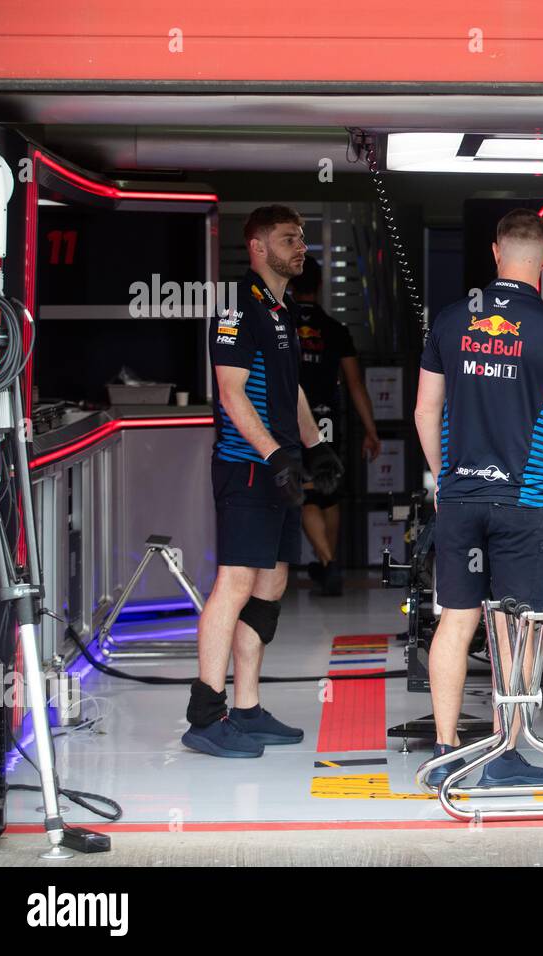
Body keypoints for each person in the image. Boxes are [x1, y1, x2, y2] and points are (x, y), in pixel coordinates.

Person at [412, 208, 543, 787]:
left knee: (455, 622)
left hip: (460, 499)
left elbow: (422, 411)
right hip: (525, 501)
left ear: (495, 253)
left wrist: (445, 481)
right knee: (514, 627)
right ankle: (504, 756)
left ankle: (444, 752)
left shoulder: (450, 320)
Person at [182, 205, 343, 758]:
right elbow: (230, 392)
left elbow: (291, 389)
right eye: (288, 238)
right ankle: (206, 713)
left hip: (282, 468)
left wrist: (316, 446)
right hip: (247, 466)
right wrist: (275, 453)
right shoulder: (237, 307)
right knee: (235, 583)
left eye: (301, 238)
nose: (300, 247)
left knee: (272, 587)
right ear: (257, 246)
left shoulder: (283, 309)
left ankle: (246, 707)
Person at [290, 254, 382, 597]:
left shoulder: (282, 323)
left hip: (291, 417)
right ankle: (331, 565)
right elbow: (355, 383)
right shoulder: (335, 329)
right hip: (327, 417)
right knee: (329, 492)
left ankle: (328, 563)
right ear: (320, 286)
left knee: (306, 493)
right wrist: (370, 429)